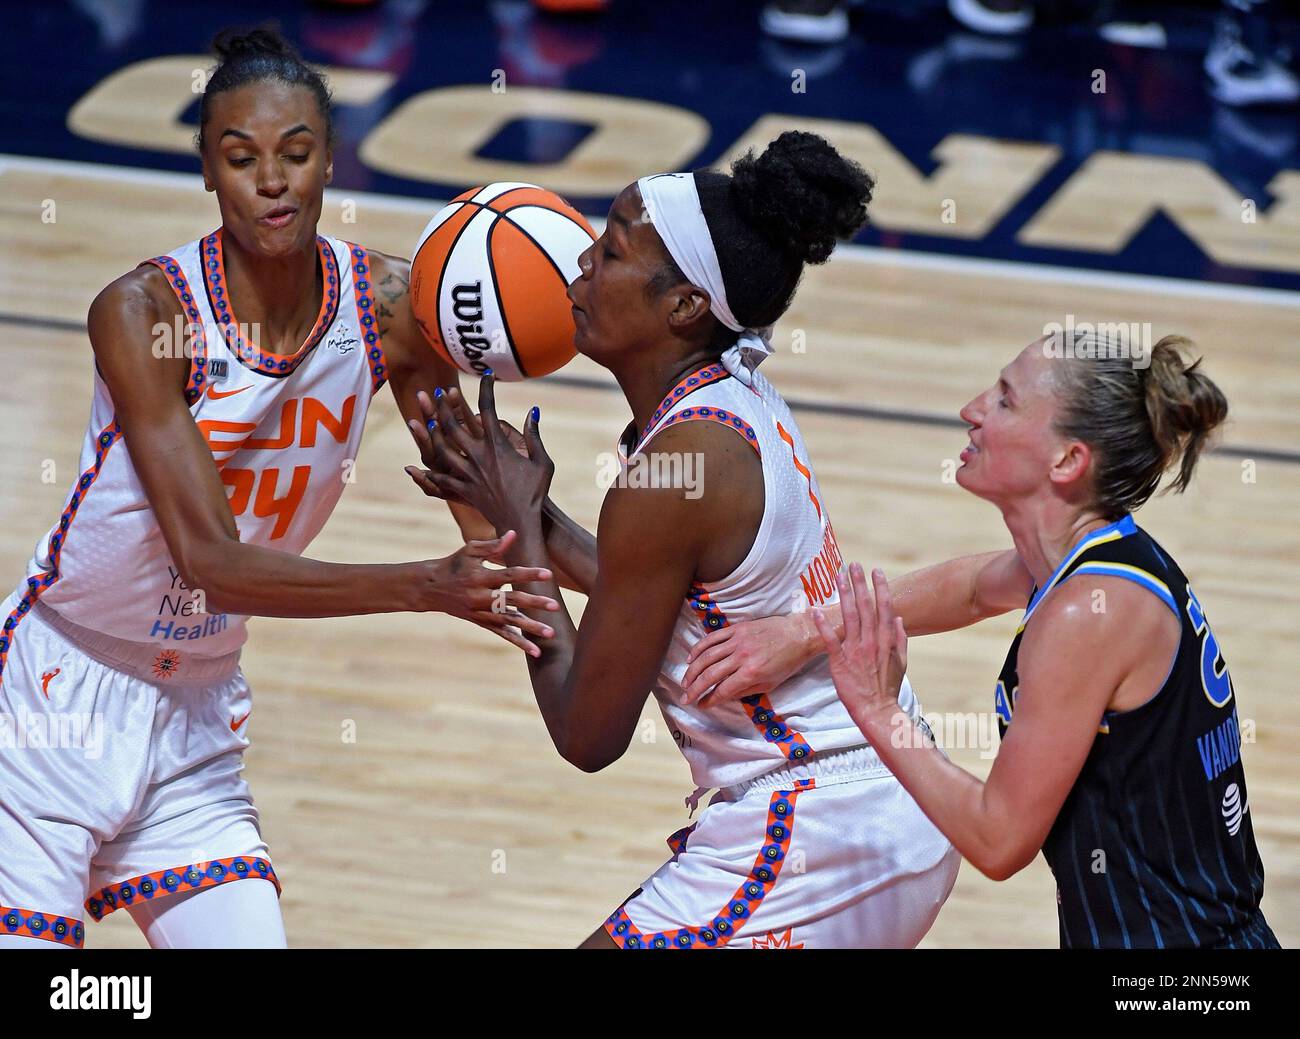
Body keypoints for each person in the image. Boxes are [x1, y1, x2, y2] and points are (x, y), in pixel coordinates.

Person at [0, 27, 559, 950]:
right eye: (240, 157)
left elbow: (495, 523)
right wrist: (426, 585)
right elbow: (213, 565)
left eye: (296, 154)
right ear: (209, 174)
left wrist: (651, 584)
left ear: (333, 160)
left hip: (196, 715)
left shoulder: (390, 310)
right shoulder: (147, 313)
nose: (271, 179)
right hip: (52, 697)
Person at [407, 131, 961, 949]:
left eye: (613, 250)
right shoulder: (727, 399)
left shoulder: (678, 469)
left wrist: (523, 529)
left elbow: (587, 733)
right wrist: (538, 517)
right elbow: (665, 597)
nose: (579, 267)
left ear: (684, 304)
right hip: (879, 800)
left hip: (820, 819)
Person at [684, 329, 1280, 949]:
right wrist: (808, 629)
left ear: (1067, 461)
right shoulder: (1099, 560)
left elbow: (999, 841)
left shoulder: (1088, 617)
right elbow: (971, 587)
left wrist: (878, 709)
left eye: (1004, 400)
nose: (972, 410)